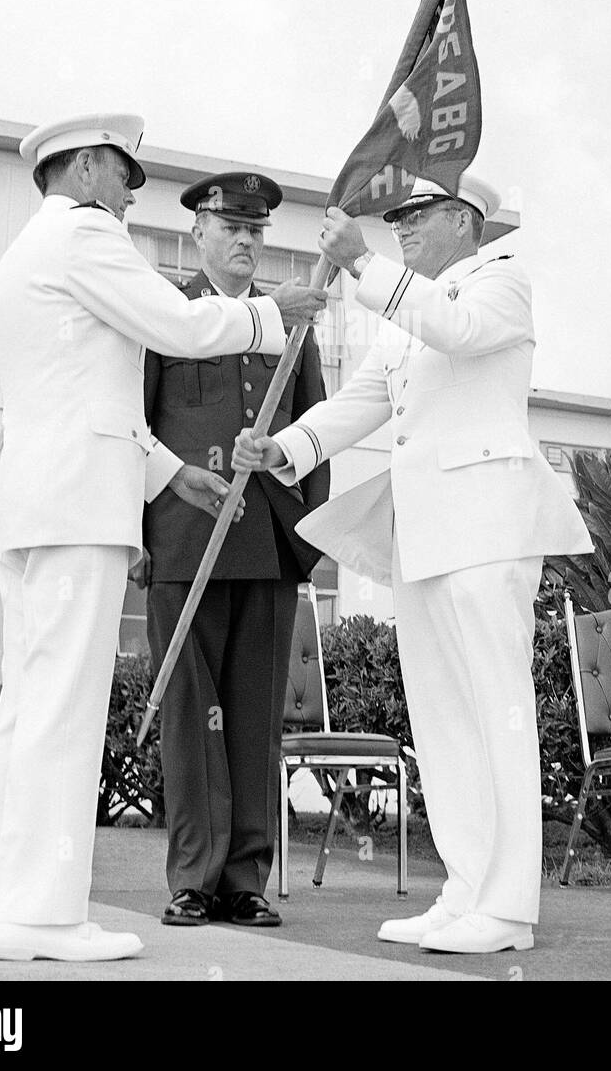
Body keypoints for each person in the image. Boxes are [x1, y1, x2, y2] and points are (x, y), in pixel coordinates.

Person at [0, 114, 326, 963]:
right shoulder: (85, 235)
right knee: (62, 714)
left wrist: (170, 476)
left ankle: (5, 912)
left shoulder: (31, 248)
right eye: (125, 173)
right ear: (86, 168)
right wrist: (280, 310)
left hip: (45, 501)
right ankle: (45, 918)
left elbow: (97, 395)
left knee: (29, 714)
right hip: (76, 507)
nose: (132, 193)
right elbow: (185, 329)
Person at [233, 172, 592, 955]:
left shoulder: (498, 283)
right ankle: (465, 889)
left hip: (488, 526)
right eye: (392, 216)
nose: (399, 225)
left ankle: (507, 907)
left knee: (495, 712)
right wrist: (283, 448)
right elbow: (360, 401)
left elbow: (455, 331)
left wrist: (361, 264)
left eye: (415, 214)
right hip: (423, 530)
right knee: (442, 719)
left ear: (465, 221)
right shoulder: (402, 309)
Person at [138, 171, 330, 930]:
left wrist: (306, 537)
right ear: (199, 234)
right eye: (232, 228)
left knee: (252, 715)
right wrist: (135, 532)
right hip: (184, 541)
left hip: (266, 541)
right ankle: (193, 875)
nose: (247, 241)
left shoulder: (293, 323)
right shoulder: (166, 313)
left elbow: (316, 426)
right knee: (192, 714)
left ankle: (245, 878)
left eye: (257, 230)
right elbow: (135, 424)